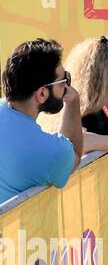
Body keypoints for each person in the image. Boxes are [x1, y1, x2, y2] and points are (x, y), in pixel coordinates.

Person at [0, 39, 84, 199]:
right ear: (42, 94)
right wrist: (74, 103)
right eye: (64, 80)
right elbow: (75, 156)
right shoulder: (53, 151)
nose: (67, 87)